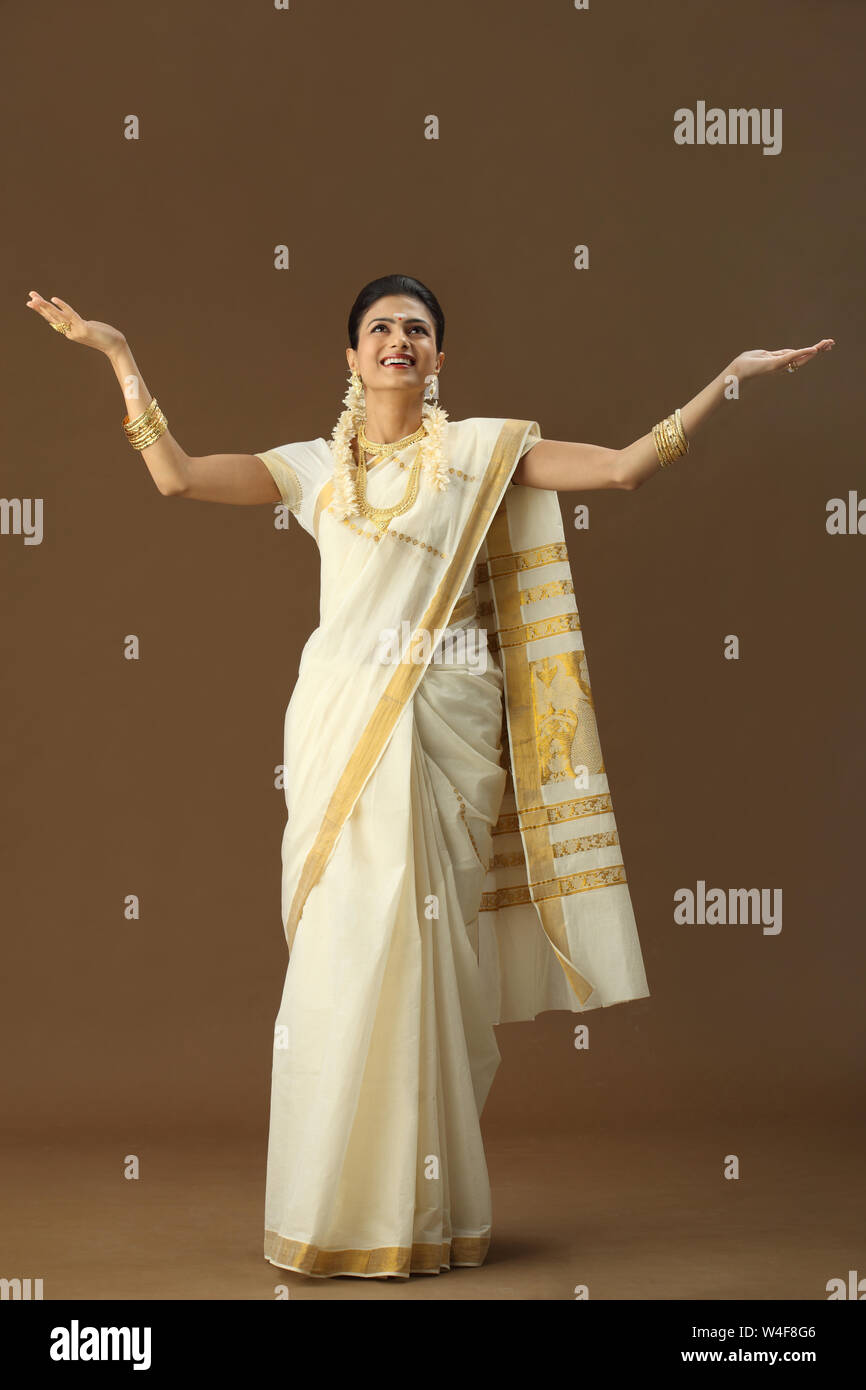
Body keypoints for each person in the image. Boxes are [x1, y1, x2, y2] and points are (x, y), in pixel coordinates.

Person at [26, 274, 833, 1279]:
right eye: (378, 328)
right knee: (340, 961)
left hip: (443, 733)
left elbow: (623, 470)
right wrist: (117, 354)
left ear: (438, 358)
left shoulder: (481, 455)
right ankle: (330, 1210)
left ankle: (422, 1213)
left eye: (416, 328)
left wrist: (728, 379)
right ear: (350, 358)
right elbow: (179, 479)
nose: (397, 340)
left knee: (422, 964)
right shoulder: (313, 467)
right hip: (336, 731)